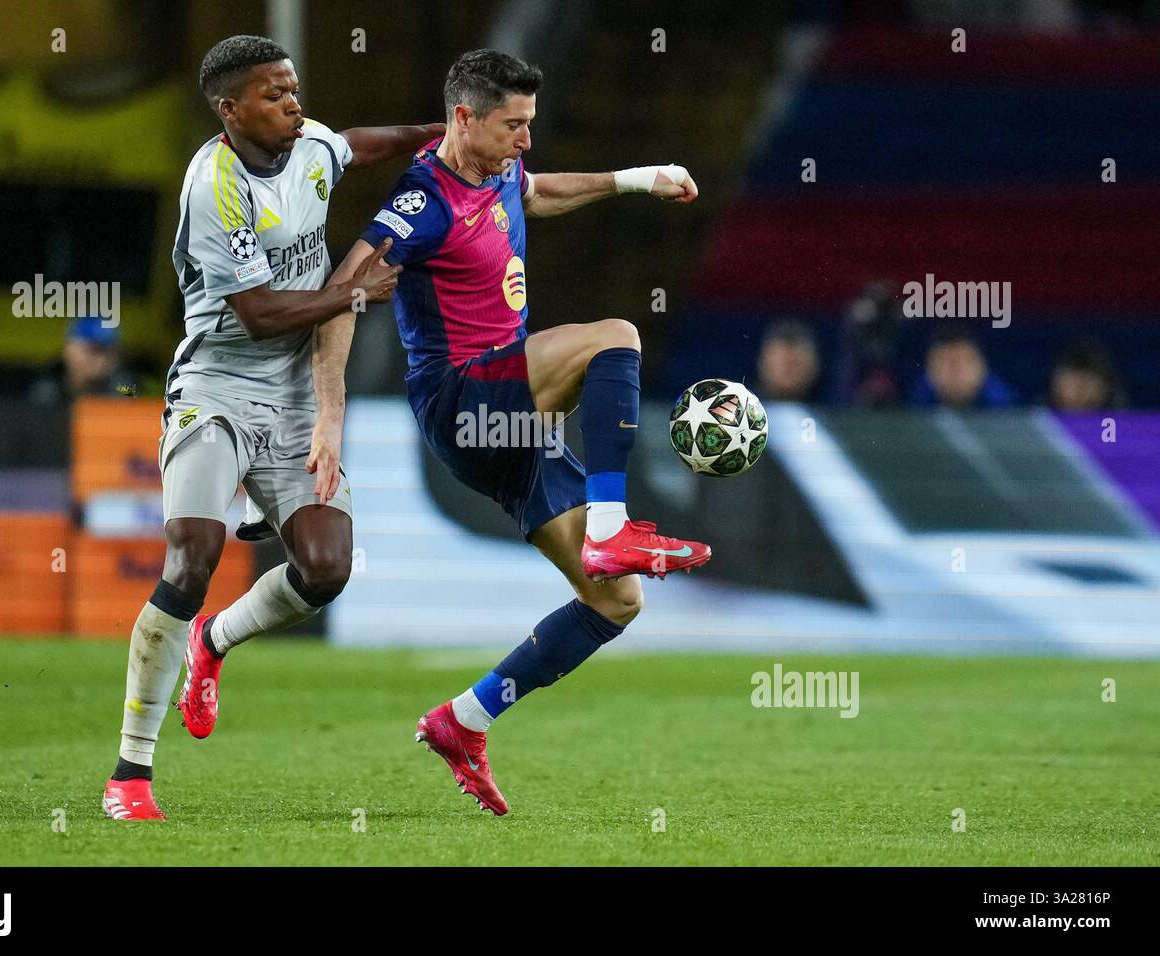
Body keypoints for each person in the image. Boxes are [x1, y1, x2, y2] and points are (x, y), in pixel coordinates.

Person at [329, 49, 708, 815]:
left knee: (616, 603)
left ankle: (463, 721)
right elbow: (341, 292)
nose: (526, 140)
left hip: (513, 419)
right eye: (514, 125)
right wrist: (329, 419)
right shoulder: (422, 199)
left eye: (530, 123)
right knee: (616, 336)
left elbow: (535, 194)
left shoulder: (498, 167)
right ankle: (610, 523)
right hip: (462, 400)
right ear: (463, 117)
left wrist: (637, 179)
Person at [102, 34, 442, 821]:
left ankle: (213, 642)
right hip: (216, 385)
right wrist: (355, 292)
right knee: (193, 557)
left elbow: (356, 145)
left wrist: (437, 136)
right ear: (230, 110)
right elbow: (257, 317)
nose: (294, 103)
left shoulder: (309, 143)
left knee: (327, 568)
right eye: (274, 94)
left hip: (291, 395)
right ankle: (132, 772)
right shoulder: (213, 185)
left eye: (293, 89)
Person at [29, 316, 138, 403]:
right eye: (93, 350)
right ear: (69, 350)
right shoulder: (47, 388)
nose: (102, 359)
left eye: (109, 352)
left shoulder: (122, 388)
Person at [910, 328, 1018, 409]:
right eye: (944, 362)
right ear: (929, 370)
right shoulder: (910, 408)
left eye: (964, 361)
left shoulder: (1012, 410)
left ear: (982, 367)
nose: (955, 372)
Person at [756, 319, 821, 402]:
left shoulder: (830, 410)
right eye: (783, 363)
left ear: (813, 367)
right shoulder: (741, 408)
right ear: (764, 364)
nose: (789, 370)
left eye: (796, 363)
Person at [1048, 341, 1122, 411]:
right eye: (1073, 384)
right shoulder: (1040, 418)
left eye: (1085, 384)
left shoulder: (1119, 419)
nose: (1078, 393)